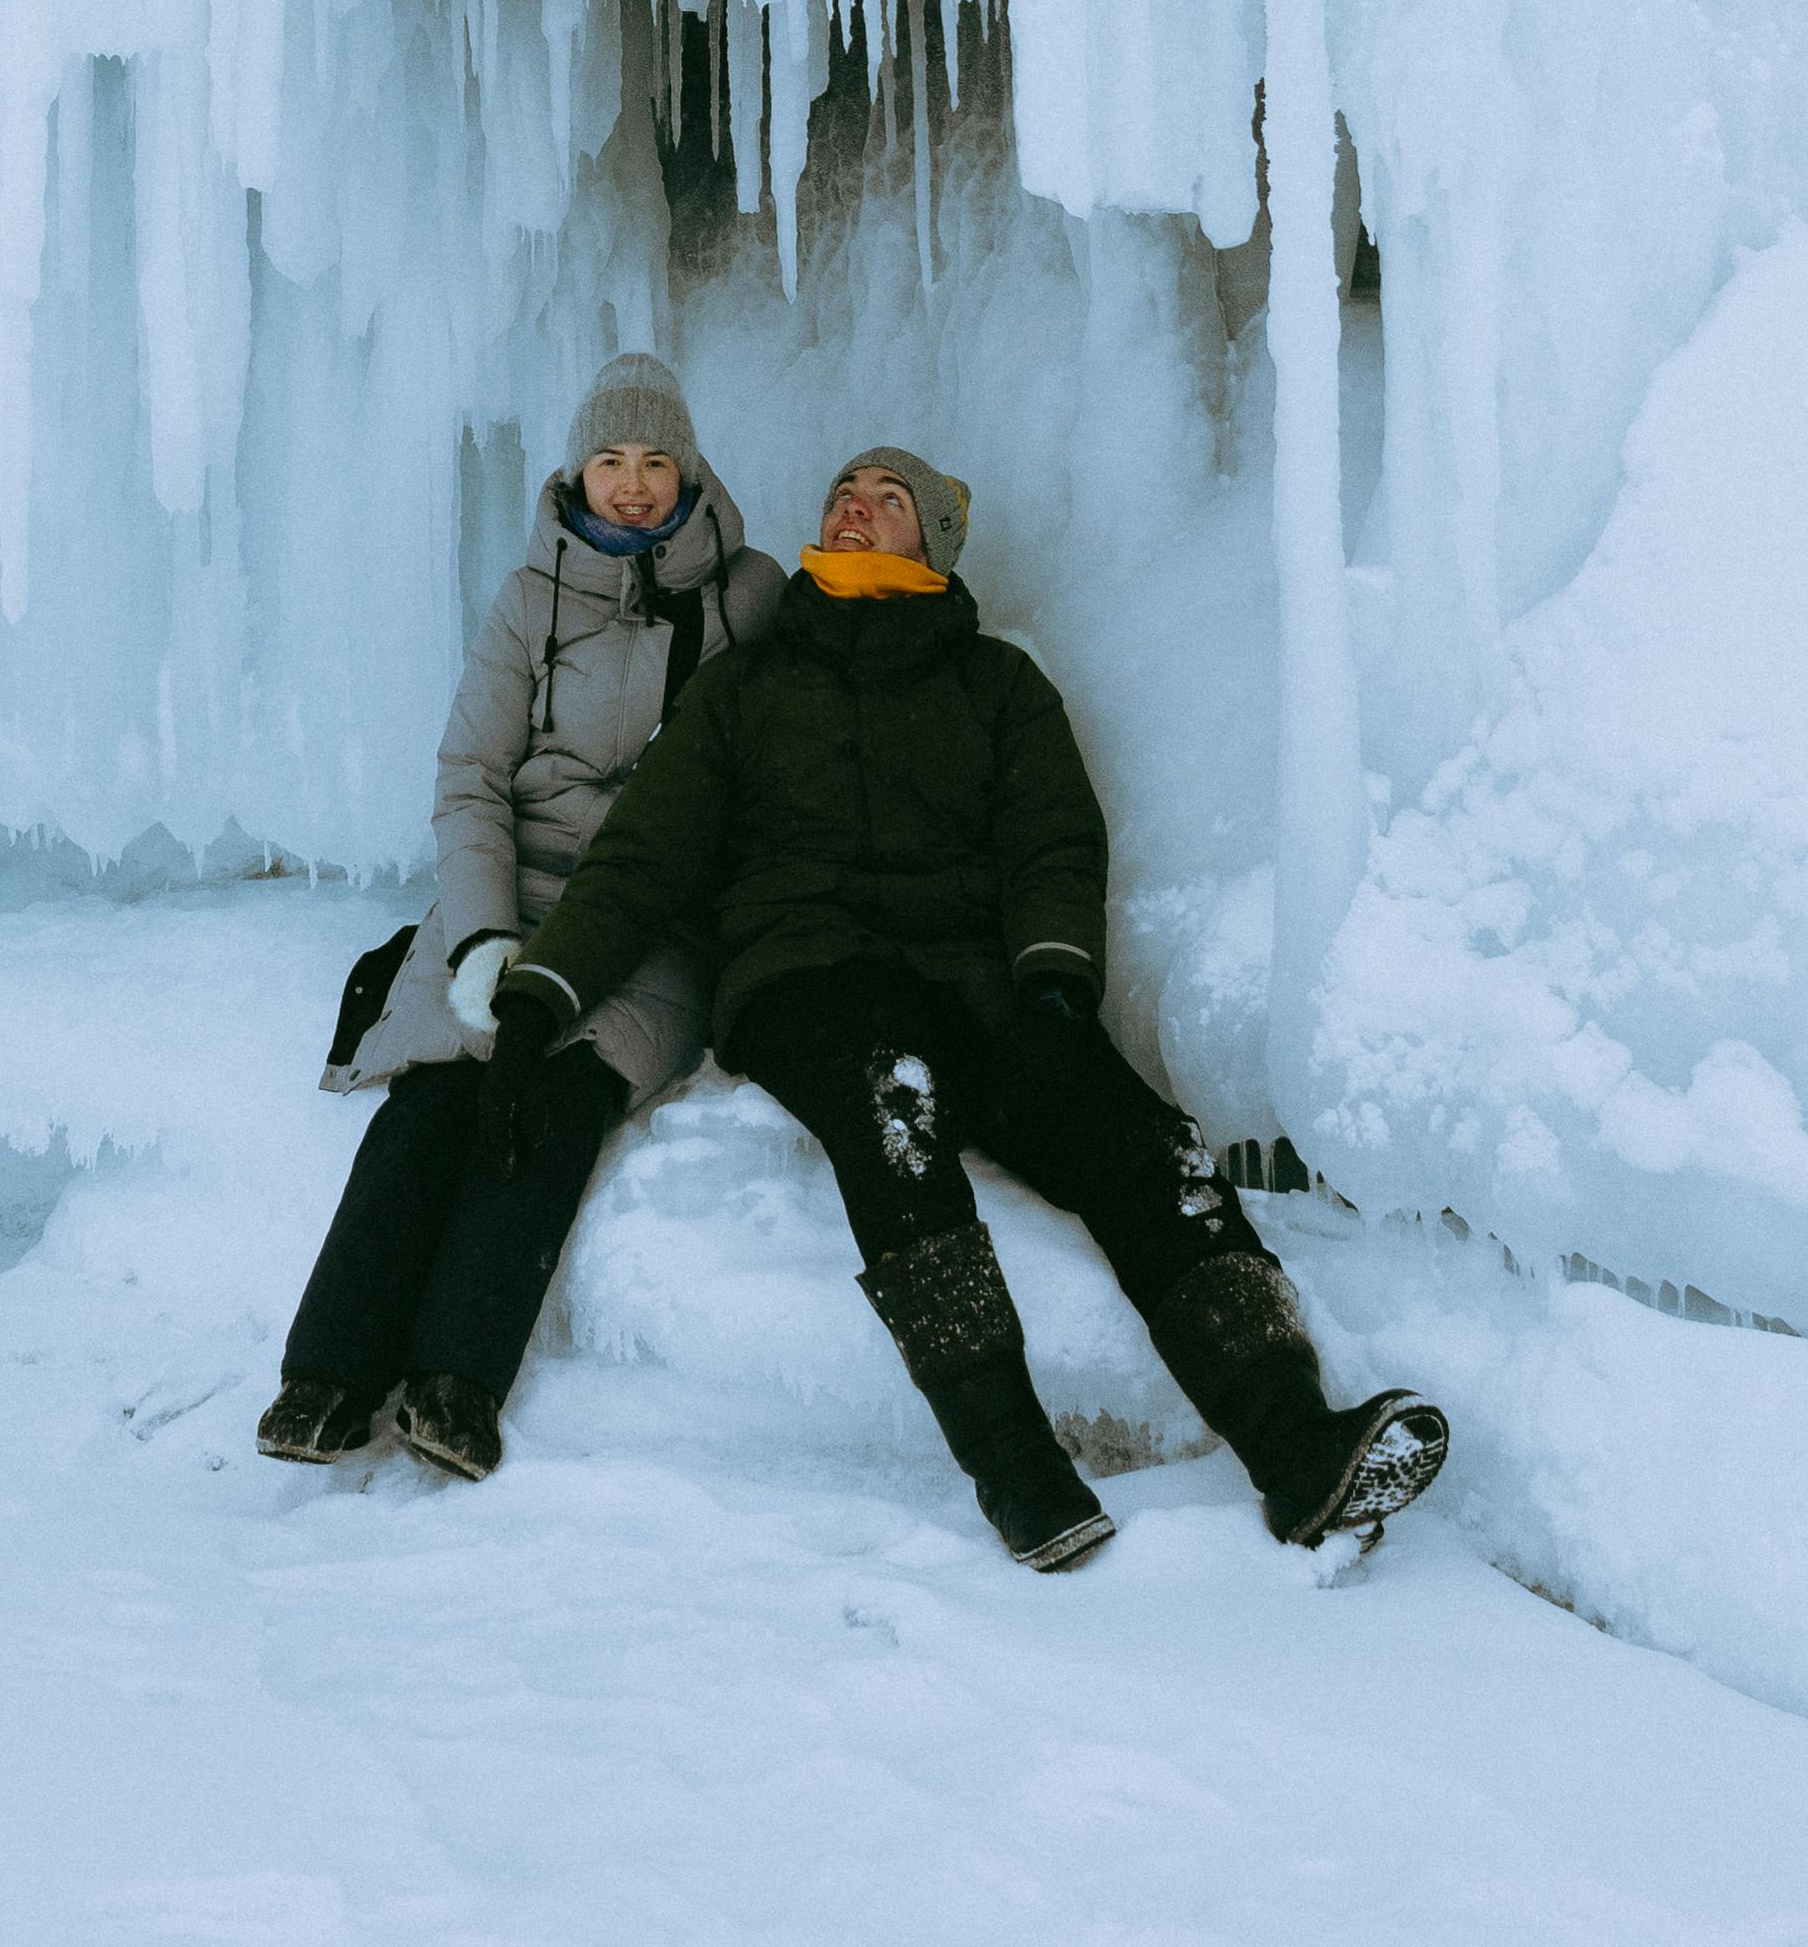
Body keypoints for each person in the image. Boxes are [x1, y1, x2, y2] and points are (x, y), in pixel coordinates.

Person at [487, 447, 1449, 1571]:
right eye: (843, 489)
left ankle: (1299, 1448)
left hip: (978, 986)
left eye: (889, 499)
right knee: (890, 1108)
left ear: (932, 544)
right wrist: (538, 993)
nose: (856, 505)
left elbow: (1052, 844)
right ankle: (1012, 1463)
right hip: (806, 977)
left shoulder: (997, 684)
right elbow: (641, 862)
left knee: (1145, 1144)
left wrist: (1051, 986)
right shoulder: (744, 686)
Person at [257, 353, 785, 1482]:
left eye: (655, 462)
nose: (633, 485)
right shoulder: (525, 596)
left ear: (688, 472)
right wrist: (484, 935)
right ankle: (329, 1372)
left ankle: (459, 1379)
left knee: (554, 1088)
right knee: (441, 1084)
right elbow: (470, 778)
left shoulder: (749, 597)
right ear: (576, 471)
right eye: (610, 460)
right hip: (515, 887)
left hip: (653, 913)